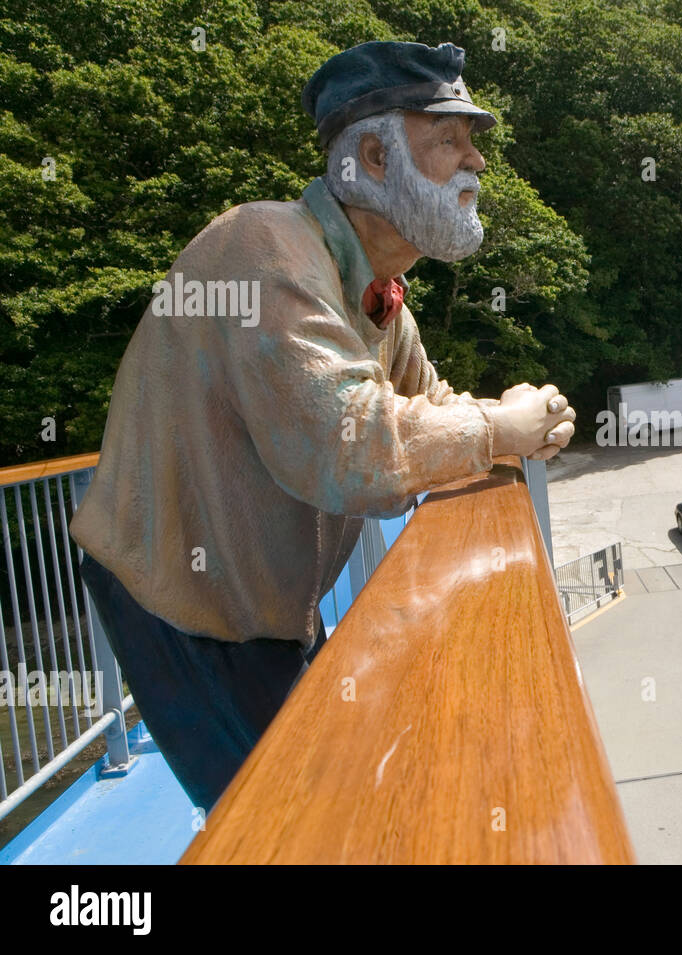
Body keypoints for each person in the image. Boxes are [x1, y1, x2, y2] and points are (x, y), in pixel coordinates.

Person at [69, 40, 577, 812]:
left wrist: (511, 425)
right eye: (449, 137)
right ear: (373, 156)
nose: (477, 159)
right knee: (295, 817)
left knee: (321, 796)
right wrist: (501, 428)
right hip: (181, 600)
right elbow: (352, 447)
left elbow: (428, 402)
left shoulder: (377, 287)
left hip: (264, 606)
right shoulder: (263, 249)